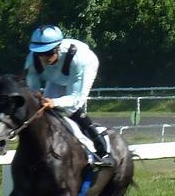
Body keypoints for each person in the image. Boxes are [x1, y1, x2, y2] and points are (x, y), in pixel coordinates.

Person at [23, 25, 113, 167]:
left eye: (48, 53)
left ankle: (102, 148)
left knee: (70, 110)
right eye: (39, 53)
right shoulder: (32, 61)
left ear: (58, 48)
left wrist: (54, 101)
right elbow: (33, 93)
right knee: (44, 110)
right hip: (57, 77)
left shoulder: (79, 59)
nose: (43, 58)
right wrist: (39, 100)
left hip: (83, 68)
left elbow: (74, 99)